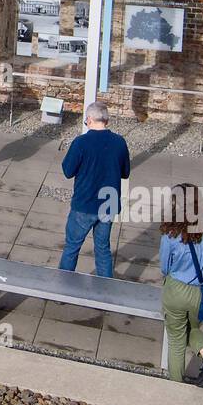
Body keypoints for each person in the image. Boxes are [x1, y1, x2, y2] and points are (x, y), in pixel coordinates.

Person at [158, 183, 203, 384]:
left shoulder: (171, 233)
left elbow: (164, 266)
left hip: (176, 290)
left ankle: (177, 388)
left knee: (177, 339)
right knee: (194, 330)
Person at [58, 100, 131, 276]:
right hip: (108, 204)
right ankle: (105, 293)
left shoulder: (81, 142)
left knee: (72, 247)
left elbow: (68, 171)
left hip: (85, 203)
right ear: (106, 120)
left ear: (89, 120)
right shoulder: (120, 142)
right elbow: (125, 173)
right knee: (103, 248)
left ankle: (62, 289)